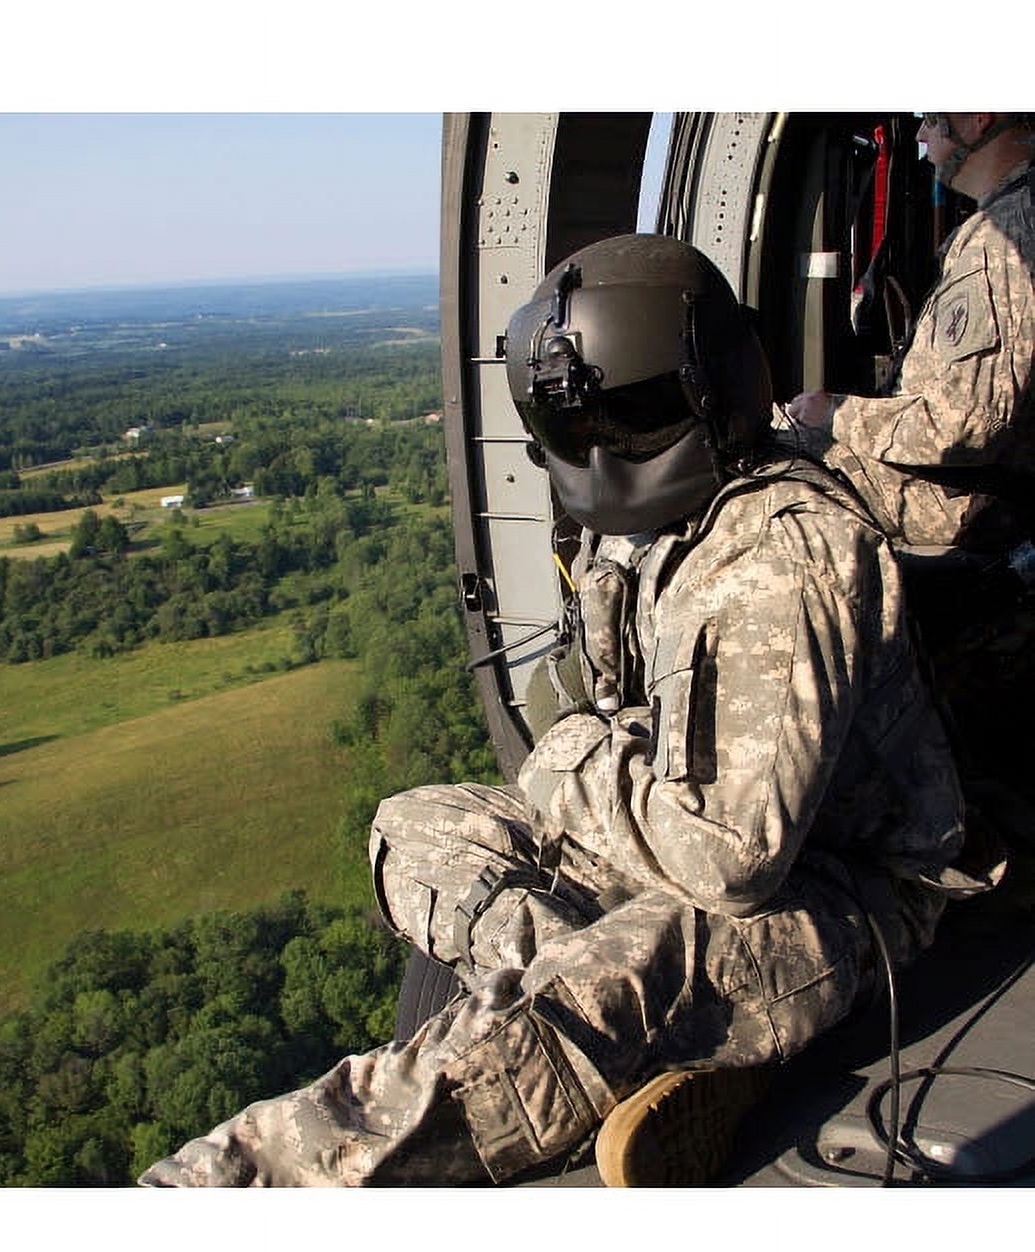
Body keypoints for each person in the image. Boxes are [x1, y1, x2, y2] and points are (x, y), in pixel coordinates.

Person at [138, 235, 983, 1189]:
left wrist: (571, 753)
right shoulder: (671, 517)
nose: (587, 448)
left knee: (616, 980)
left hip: (846, 891)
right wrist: (589, 756)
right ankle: (653, 1047)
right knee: (415, 833)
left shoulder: (780, 556)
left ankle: (232, 1185)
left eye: (609, 419)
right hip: (673, 821)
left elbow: (731, 860)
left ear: (689, 399)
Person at [786, 112, 1035, 552]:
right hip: (968, 487)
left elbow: (966, 426)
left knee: (775, 478)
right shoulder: (1005, 222)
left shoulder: (1001, 241)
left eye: (934, 118)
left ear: (980, 119)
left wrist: (835, 413)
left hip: (960, 503)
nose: (921, 133)